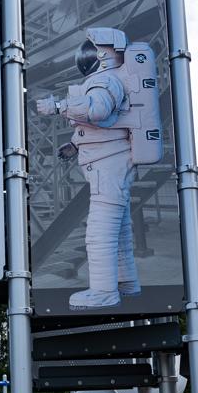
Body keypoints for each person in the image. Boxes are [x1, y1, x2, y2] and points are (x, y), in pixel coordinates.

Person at [34, 26, 141, 309]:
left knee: (99, 231)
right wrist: (74, 145)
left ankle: (104, 292)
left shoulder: (106, 81)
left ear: (102, 55)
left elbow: (98, 111)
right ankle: (126, 282)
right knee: (119, 228)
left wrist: (58, 106)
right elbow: (101, 125)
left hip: (109, 164)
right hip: (110, 161)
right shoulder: (111, 80)